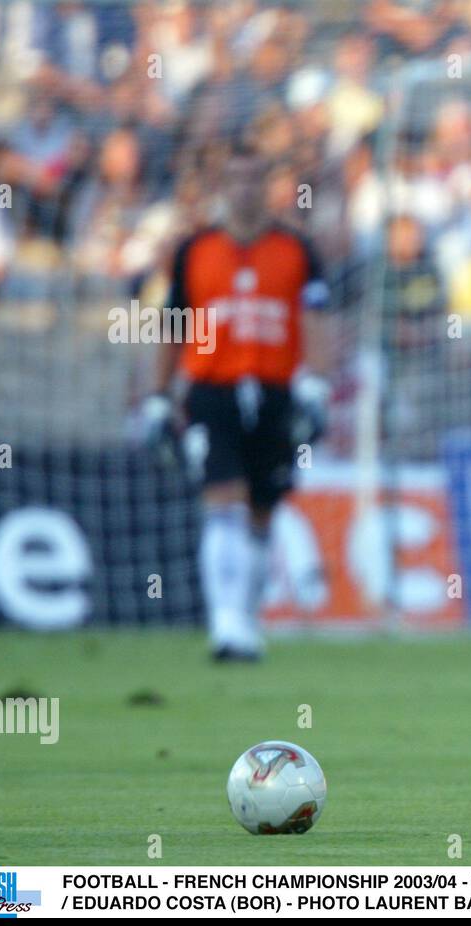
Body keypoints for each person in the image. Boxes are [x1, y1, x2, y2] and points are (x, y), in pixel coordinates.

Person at [144, 138, 332, 661]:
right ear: (222, 184)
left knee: (261, 513)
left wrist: (315, 382)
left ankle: (244, 618)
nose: (246, 188)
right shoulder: (194, 249)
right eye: (236, 177)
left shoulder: (297, 249)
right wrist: (160, 395)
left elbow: (316, 319)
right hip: (212, 391)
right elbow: (173, 323)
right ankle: (225, 624)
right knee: (222, 502)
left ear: (267, 183)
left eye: (255, 177)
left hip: (275, 393)